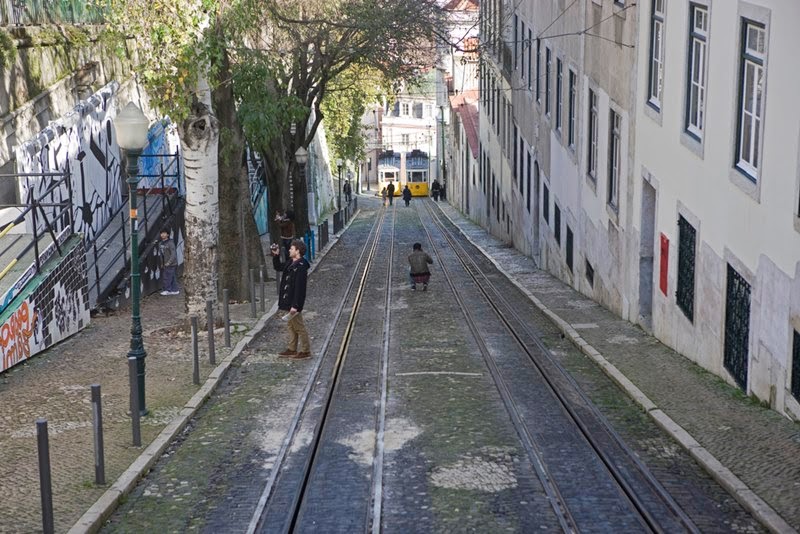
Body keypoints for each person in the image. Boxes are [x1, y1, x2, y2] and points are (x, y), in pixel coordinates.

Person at [272, 239, 311, 359]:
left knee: (299, 326)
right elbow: (278, 267)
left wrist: (295, 305)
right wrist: (276, 255)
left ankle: (305, 351)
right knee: (291, 326)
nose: (289, 250)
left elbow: (299, 288)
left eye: (292, 249)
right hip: (288, 300)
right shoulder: (291, 262)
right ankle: (292, 348)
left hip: (294, 302)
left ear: (297, 251)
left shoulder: (301, 267)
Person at [158, 229, 179, 295]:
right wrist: (162, 263)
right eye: (162, 233)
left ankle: (167, 290)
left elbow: (173, 254)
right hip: (165, 263)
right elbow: (161, 254)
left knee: (167, 277)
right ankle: (175, 290)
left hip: (170, 263)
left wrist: (169, 262)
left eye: (164, 233)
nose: (163, 235)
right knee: (171, 276)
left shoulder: (170, 243)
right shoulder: (160, 243)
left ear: (168, 234)